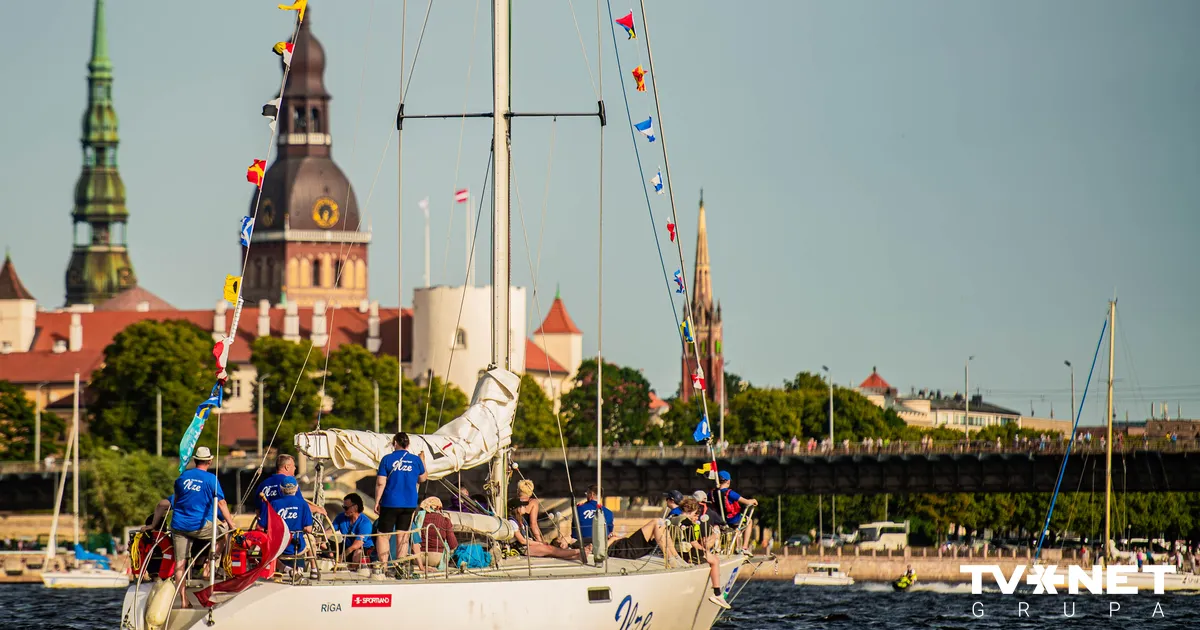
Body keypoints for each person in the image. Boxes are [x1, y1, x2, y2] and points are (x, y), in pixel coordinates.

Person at [171, 447, 235, 609]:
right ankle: (208, 567)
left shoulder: (182, 477)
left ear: (195, 460)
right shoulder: (211, 479)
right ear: (210, 461)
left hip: (178, 524)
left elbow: (176, 500)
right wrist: (231, 524)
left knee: (180, 564)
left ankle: (184, 601)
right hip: (197, 525)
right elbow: (221, 503)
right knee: (223, 534)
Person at [374, 432, 427, 573]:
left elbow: (380, 483)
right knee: (403, 535)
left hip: (390, 502)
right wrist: (423, 461)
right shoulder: (416, 460)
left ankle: (383, 567)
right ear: (408, 444)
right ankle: (400, 567)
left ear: (395, 443)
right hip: (409, 504)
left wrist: (377, 501)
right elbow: (422, 478)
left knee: (383, 535)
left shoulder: (387, 459)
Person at [674, 498, 730, 610]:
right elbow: (693, 542)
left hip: (677, 551)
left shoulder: (675, 519)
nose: (696, 517)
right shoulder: (686, 522)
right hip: (686, 552)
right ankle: (717, 593)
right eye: (695, 514)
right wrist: (705, 550)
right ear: (692, 510)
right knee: (715, 561)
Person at [259, 476, 313, 572]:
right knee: (311, 540)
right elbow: (308, 529)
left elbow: (260, 526)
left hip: (278, 546)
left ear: (281, 489)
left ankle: (286, 569)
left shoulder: (273, 504)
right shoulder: (303, 504)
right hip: (297, 546)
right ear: (296, 488)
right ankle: (314, 569)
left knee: (266, 549)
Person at [710, 471, 759, 553]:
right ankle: (744, 547)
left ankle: (717, 547)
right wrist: (753, 500)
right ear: (728, 481)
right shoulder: (730, 493)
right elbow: (746, 502)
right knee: (749, 521)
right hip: (732, 519)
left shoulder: (711, 493)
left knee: (736, 528)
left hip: (719, 520)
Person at [413, 497, 458, 571]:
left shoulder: (418, 517)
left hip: (417, 557)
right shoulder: (445, 520)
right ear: (438, 507)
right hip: (435, 558)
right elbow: (453, 544)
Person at [330, 493, 373, 569]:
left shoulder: (365, 523)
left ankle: (354, 572)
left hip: (362, 548)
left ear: (355, 507)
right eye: (343, 507)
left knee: (358, 554)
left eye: (346, 508)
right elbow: (330, 531)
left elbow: (356, 545)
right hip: (346, 547)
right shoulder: (341, 517)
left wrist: (341, 556)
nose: (344, 510)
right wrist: (321, 540)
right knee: (328, 547)